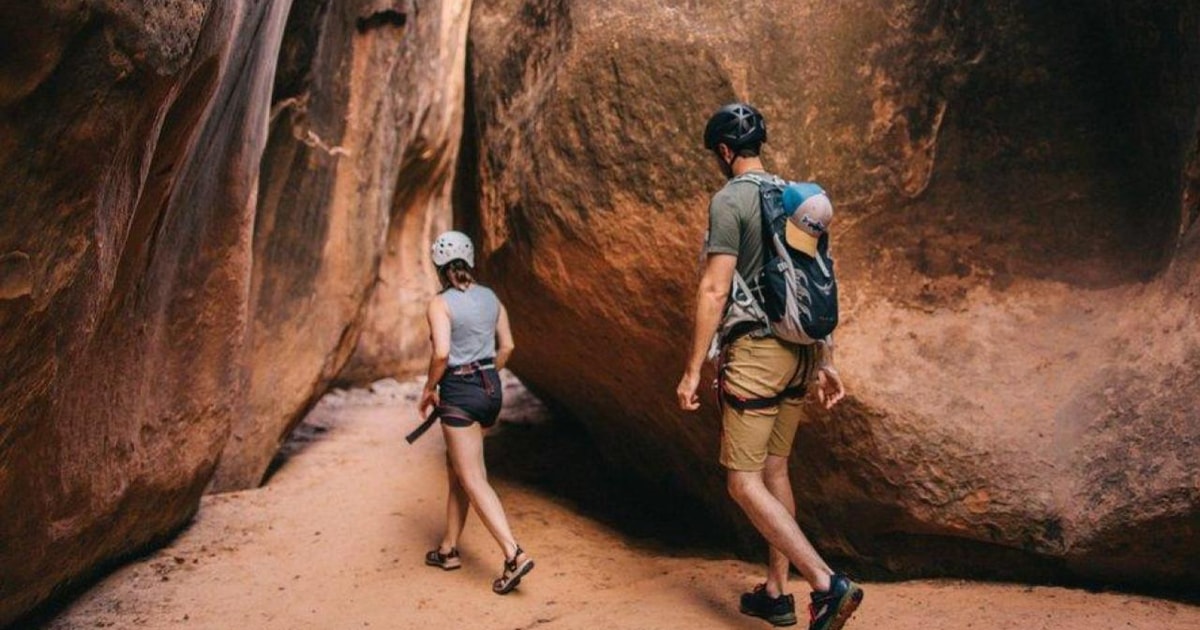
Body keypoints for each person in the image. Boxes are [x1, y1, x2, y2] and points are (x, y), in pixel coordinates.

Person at [676, 103, 863, 630]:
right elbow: (815, 276)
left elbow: (715, 287)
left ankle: (826, 584)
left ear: (724, 151)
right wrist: (823, 355)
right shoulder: (792, 196)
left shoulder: (729, 200)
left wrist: (693, 370)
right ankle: (776, 593)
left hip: (757, 355)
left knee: (742, 481)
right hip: (799, 352)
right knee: (775, 469)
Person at [418, 230, 534, 595]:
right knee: (459, 470)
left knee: (472, 476)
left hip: (459, 391)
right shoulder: (491, 298)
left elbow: (441, 353)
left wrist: (428, 388)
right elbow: (508, 346)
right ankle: (448, 549)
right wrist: (487, 376)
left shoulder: (440, 304)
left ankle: (513, 552)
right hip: (489, 389)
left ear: (439, 267)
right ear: (469, 261)